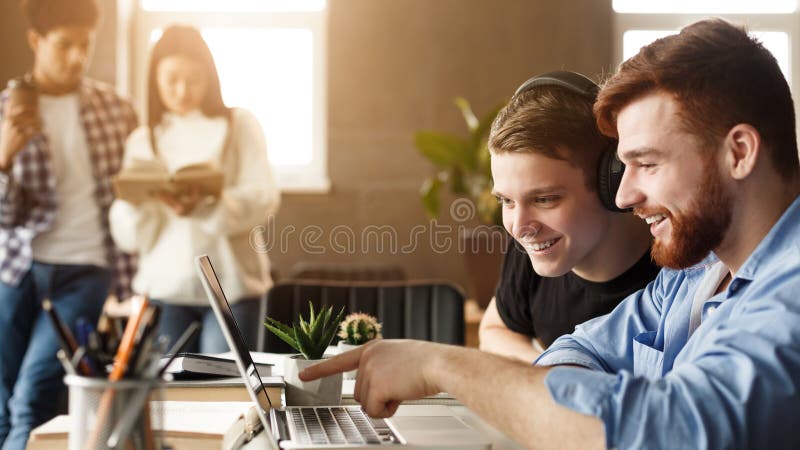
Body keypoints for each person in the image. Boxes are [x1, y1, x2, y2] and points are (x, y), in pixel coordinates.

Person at [301, 18, 800, 449]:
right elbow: (579, 351)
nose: (624, 195)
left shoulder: (790, 291)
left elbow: (675, 430)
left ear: (738, 152)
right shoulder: (696, 274)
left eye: (646, 163)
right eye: (623, 167)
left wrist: (443, 366)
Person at [0, 0, 138, 447]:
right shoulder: (6, 109)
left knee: (33, 399)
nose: (77, 57)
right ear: (36, 41)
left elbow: (137, 196)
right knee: (1, 403)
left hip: (85, 272)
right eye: (64, 45)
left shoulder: (116, 110)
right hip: (15, 270)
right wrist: (3, 156)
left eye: (85, 45)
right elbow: (5, 218)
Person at [109, 25, 280, 353]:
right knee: (171, 397)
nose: (182, 90)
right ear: (154, 79)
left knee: (226, 391)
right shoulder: (144, 140)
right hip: (165, 289)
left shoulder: (239, 125)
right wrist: (139, 202)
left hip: (231, 287)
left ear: (211, 77)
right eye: (171, 79)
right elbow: (129, 235)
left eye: (193, 79)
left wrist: (208, 204)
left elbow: (263, 198)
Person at [479, 71, 658, 363]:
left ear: (612, 181)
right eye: (506, 201)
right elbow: (495, 329)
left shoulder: (676, 266)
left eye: (545, 199)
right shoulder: (536, 245)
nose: (521, 228)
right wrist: (553, 373)